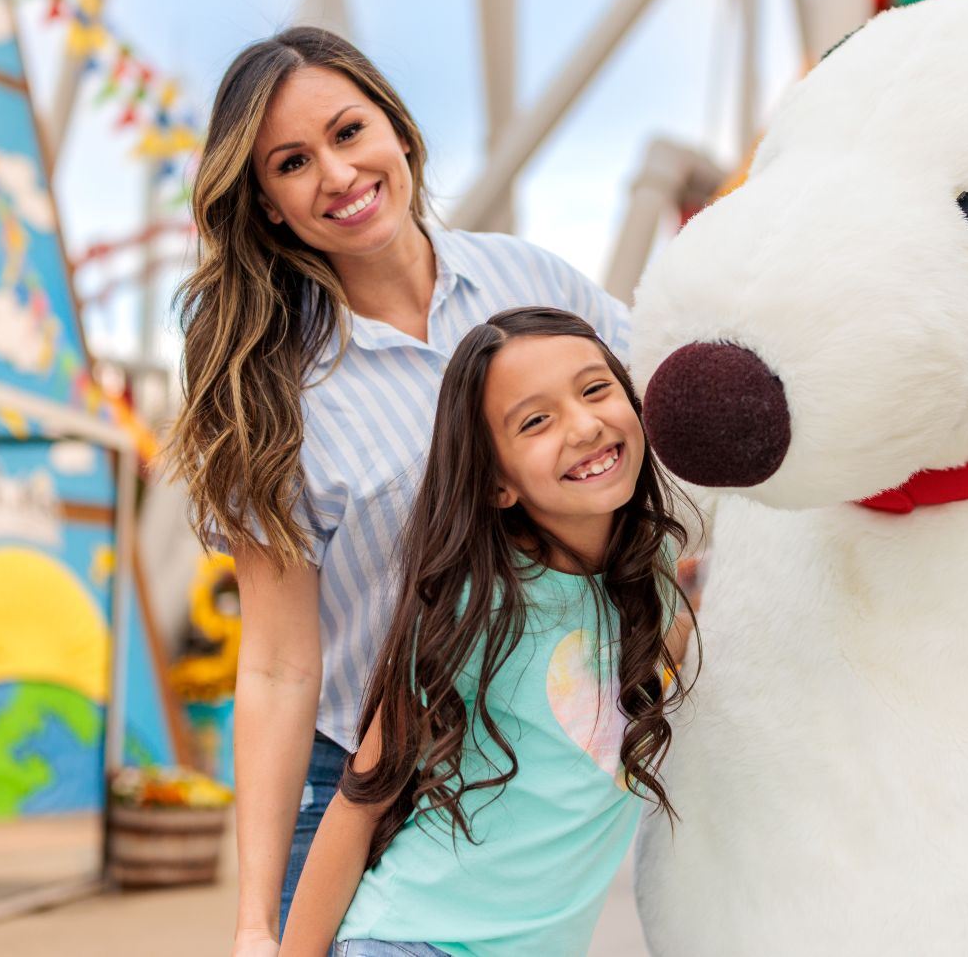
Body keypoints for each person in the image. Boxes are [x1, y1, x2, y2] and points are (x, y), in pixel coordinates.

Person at [168, 29, 631, 957]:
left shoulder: (529, 278)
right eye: (293, 163)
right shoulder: (272, 392)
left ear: (400, 131)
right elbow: (277, 666)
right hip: (363, 786)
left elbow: (647, 437)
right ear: (265, 204)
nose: (336, 174)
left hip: (535, 758)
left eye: (349, 132)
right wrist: (257, 922)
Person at [277, 307, 696, 957]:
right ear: (496, 481)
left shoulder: (659, 573)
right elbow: (361, 802)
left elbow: (648, 680)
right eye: (536, 421)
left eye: (594, 389)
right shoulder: (480, 606)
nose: (584, 426)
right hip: (412, 941)